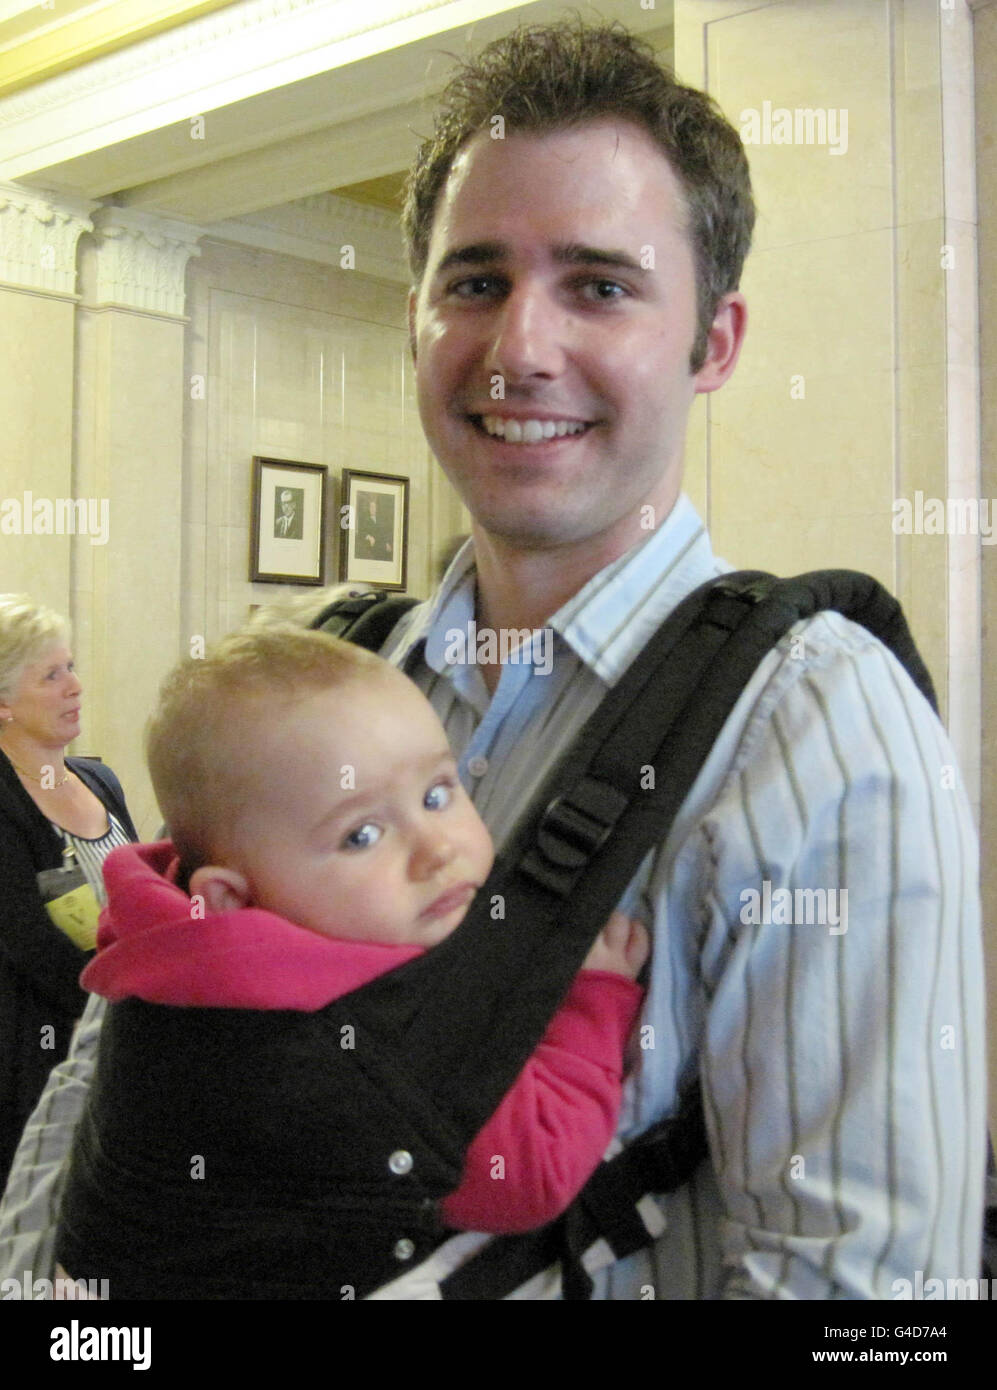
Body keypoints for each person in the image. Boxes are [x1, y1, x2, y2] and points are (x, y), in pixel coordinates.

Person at [0, 20, 985, 1301]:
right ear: (414, 321)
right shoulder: (321, 677)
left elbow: (861, 1292)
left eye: (600, 285)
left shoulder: (815, 725)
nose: (520, 346)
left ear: (715, 343)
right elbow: (108, 1079)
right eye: (474, 282)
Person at [54, 625, 647, 1298]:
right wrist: (590, 1005)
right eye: (360, 835)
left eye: (437, 793)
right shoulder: (346, 1049)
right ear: (227, 894)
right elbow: (531, 1172)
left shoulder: (164, 959)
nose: (436, 850)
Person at [0, 595, 137, 1191]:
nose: (75, 686)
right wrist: (125, 1009)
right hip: (34, 1055)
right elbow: (30, 949)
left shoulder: (99, 780)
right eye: (51, 676)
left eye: (72, 667)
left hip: (116, 1044)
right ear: (4, 702)